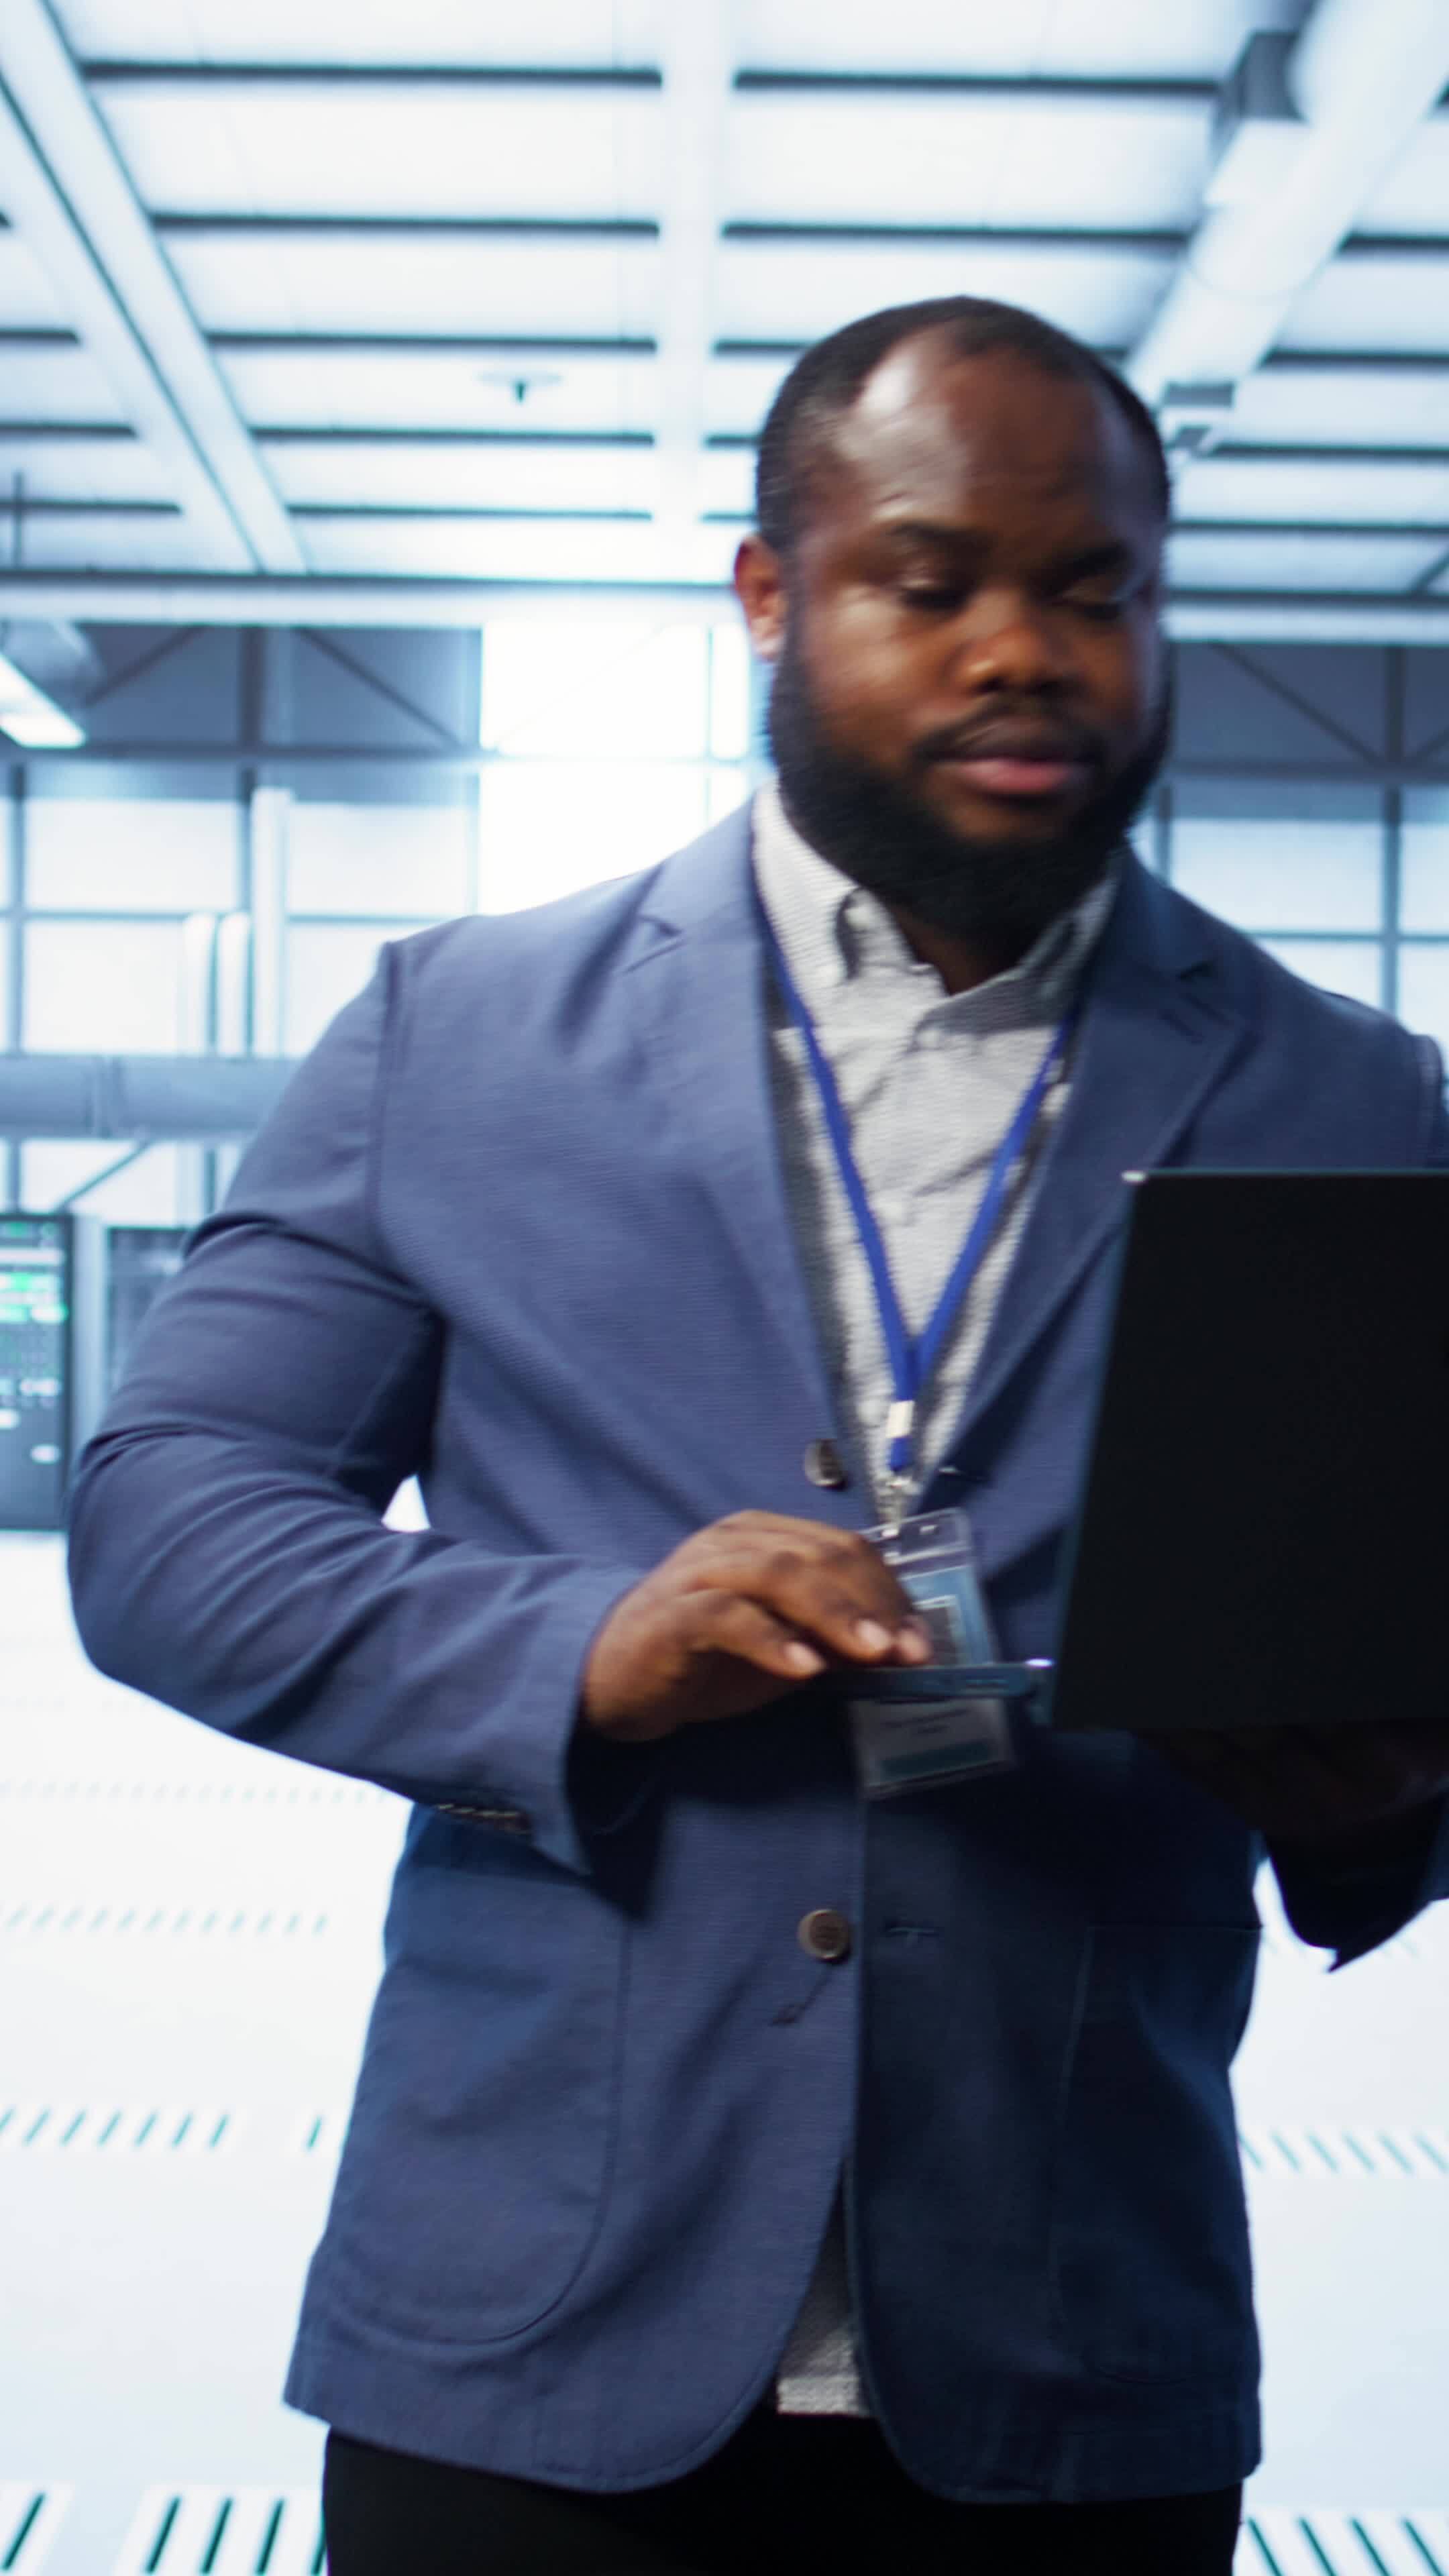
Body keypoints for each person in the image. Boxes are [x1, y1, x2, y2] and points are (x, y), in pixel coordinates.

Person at [68, 297, 1449, 2576]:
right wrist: (581, 1649)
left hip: (1073, 2346)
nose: (1024, 647)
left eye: (1093, 589)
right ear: (771, 597)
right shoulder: (457, 1033)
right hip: (528, 2336)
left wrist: (1398, 1794)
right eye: (934, 580)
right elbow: (172, 1517)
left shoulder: (1359, 1099)